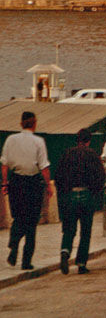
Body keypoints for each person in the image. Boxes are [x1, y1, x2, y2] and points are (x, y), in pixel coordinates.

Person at [1, 111, 52, 270]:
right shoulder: (39, 141)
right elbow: (44, 166)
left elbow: (4, 165)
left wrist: (4, 183)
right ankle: (26, 260)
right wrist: (48, 185)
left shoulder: (10, 139)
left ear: (21, 123)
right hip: (33, 183)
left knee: (18, 216)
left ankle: (14, 243)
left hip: (16, 181)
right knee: (32, 221)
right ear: (34, 123)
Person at [55, 128, 105, 274]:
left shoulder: (67, 154)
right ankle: (81, 263)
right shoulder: (92, 155)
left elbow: (59, 175)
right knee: (85, 230)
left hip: (70, 194)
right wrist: (95, 193)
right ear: (89, 140)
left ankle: (65, 251)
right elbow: (100, 176)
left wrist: (64, 193)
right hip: (87, 194)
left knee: (69, 228)